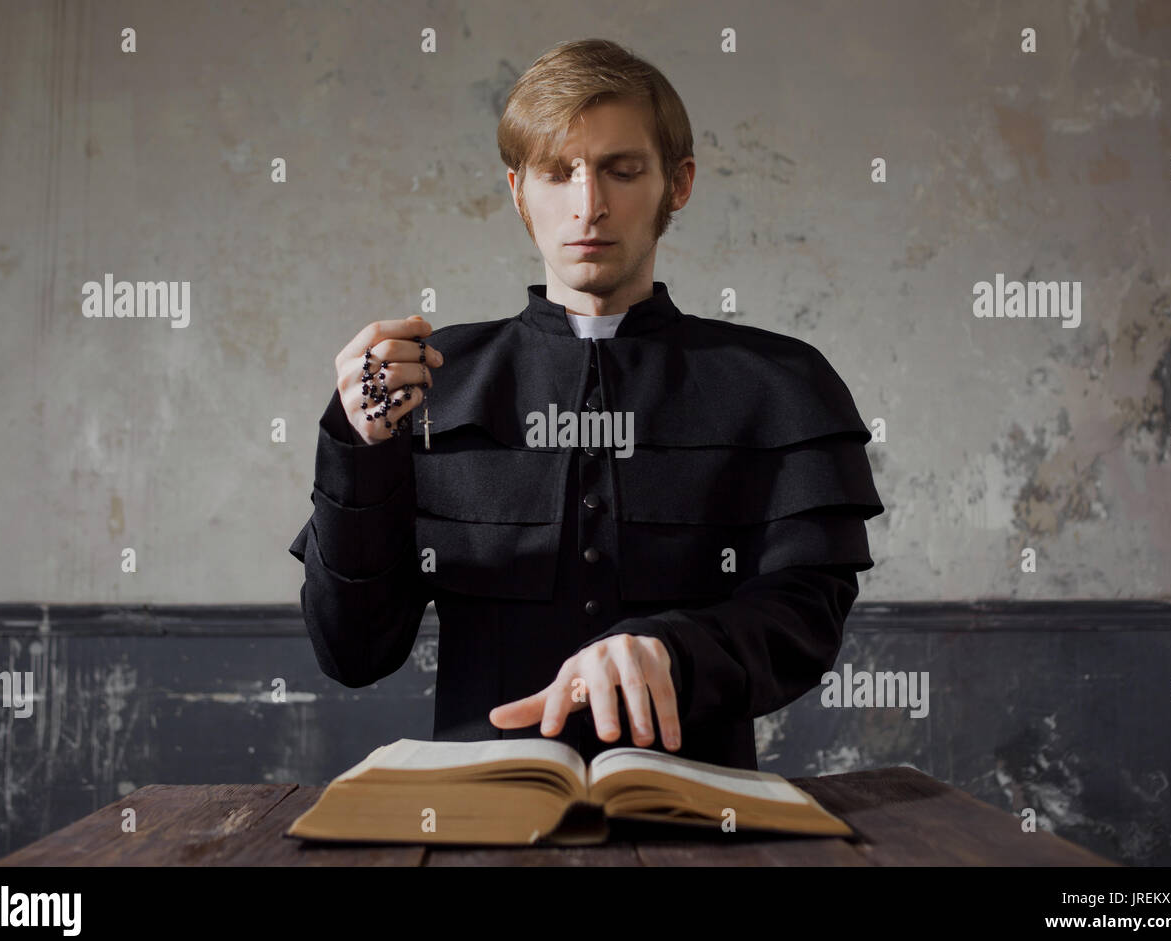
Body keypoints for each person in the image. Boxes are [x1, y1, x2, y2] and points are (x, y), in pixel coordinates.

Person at [288, 38, 884, 771]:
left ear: (679, 183)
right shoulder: (426, 387)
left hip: (700, 824)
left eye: (621, 170)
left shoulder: (779, 384)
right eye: (558, 172)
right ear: (517, 192)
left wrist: (671, 648)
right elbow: (353, 652)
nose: (589, 205)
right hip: (482, 822)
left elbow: (804, 617)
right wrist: (361, 446)